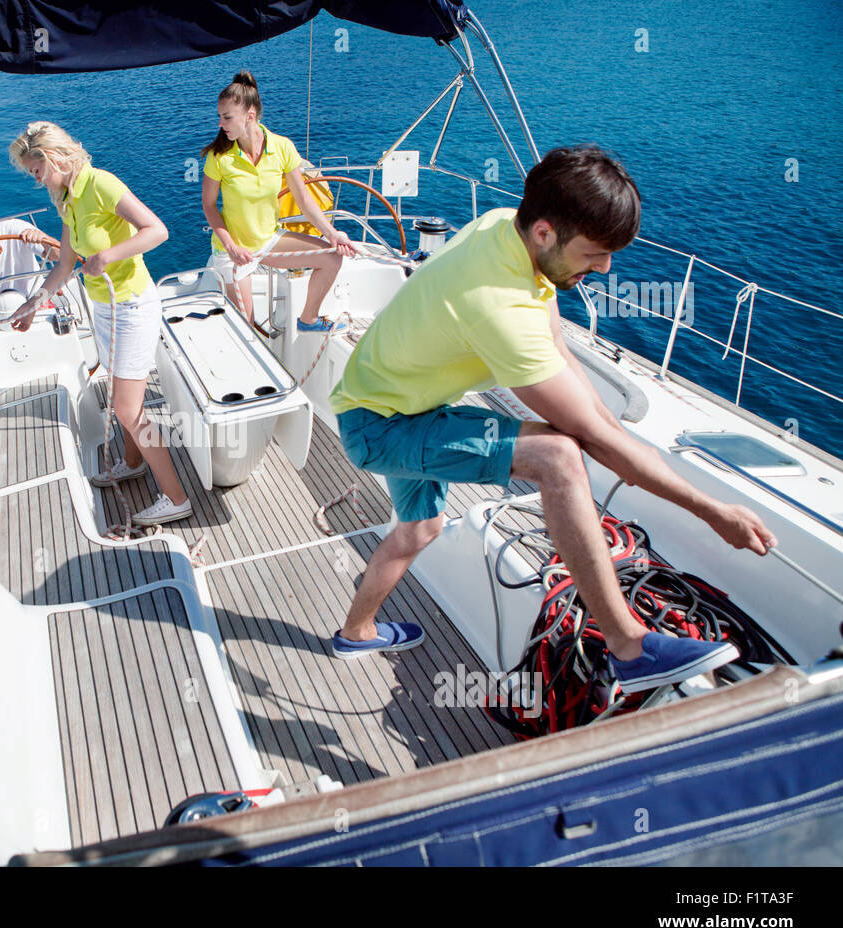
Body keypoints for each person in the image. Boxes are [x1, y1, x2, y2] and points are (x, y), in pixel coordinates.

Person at [327, 145, 776, 694]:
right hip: (382, 425)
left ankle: (357, 631)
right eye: (593, 253)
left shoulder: (501, 228)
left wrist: (601, 421)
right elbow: (588, 437)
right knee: (559, 455)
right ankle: (629, 648)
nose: (606, 267)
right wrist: (712, 510)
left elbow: (558, 344)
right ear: (544, 232)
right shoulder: (497, 306)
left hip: (387, 401)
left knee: (421, 527)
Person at [8, 121, 192, 527]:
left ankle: (176, 498)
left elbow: (157, 230)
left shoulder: (101, 184)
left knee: (127, 409)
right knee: (122, 399)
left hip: (132, 306)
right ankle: (132, 463)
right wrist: (32, 305)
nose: (37, 181)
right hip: (105, 308)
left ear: (52, 157)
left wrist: (109, 256)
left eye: (36, 171)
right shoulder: (70, 199)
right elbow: (64, 265)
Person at [201, 70, 356, 332]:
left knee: (332, 258)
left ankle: (308, 320)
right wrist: (230, 247)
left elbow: (304, 199)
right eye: (219, 116)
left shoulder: (282, 147)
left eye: (226, 117)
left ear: (250, 116)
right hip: (233, 251)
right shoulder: (219, 157)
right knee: (247, 330)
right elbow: (209, 206)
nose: (220, 123)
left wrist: (332, 234)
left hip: (268, 241)